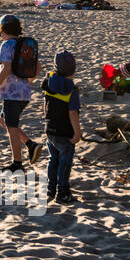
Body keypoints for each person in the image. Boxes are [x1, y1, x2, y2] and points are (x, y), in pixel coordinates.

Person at [0, 14, 40, 173]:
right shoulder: (25, 45)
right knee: (3, 120)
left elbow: (6, 69)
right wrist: (29, 81)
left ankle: (17, 163)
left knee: (11, 127)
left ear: (2, 30)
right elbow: (38, 66)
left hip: (11, 94)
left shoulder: (6, 45)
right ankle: (31, 145)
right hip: (24, 93)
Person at [41, 50, 83, 204]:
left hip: (50, 128)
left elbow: (45, 105)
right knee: (64, 163)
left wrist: (46, 120)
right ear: (73, 70)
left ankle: (51, 189)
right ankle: (63, 193)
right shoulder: (72, 90)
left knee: (53, 160)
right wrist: (77, 133)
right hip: (64, 132)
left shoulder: (49, 82)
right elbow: (73, 113)